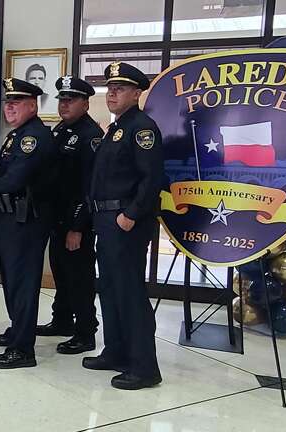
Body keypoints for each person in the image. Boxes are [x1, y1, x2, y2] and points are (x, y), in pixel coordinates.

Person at [83, 61, 163, 390]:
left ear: (136, 92)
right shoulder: (118, 128)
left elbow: (151, 178)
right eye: (110, 88)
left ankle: (144, 367)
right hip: (107, 220)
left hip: (125, 222)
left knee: (130, 294)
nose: (112, 93)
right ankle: (115, 351)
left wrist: (131, 214)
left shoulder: (142, 127)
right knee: (110, 289)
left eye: (120, 88)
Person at [0, 78, 57, 369]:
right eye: (7, 102)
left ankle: (23, 350)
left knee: (23, 283)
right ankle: (18, 331)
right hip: (11, 218)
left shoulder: (33, 137)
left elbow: (15, 178)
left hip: (27, 221)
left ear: (32, 105)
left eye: (16, 102)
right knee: (13, 282)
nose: (9, 107)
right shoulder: (17, 135)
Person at [36, 76, 103, 355]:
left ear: (85, 103)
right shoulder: (61, 129)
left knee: (80, 278)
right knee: (61, 273)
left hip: (77, 221)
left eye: (71, 100)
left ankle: (85, 332)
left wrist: (78, 226)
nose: (64, 104)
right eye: (62, 99)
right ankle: (62, 320)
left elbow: (91, 186)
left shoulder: (90, 136)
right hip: (57, 217)